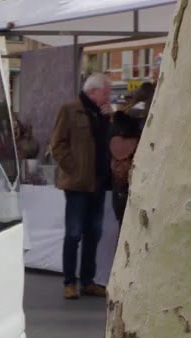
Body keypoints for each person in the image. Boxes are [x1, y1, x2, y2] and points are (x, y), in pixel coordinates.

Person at [50, 73, 113, 300]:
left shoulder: (103, 114)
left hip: (98, 182)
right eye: (106, 93)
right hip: (77, 184)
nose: (109, 98)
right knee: (74, 233)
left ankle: (88, 281)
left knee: (93, 234)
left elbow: (107, 144)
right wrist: (74, 169)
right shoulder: (70, 109)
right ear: (93, 91)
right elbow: (57, 145)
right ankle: (69, 282)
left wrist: (109, 121)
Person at [108, 82, 153, 223]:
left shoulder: (120, 119)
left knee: (124, 230)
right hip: (146, 184)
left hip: (121, 184)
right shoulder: (152, 121)